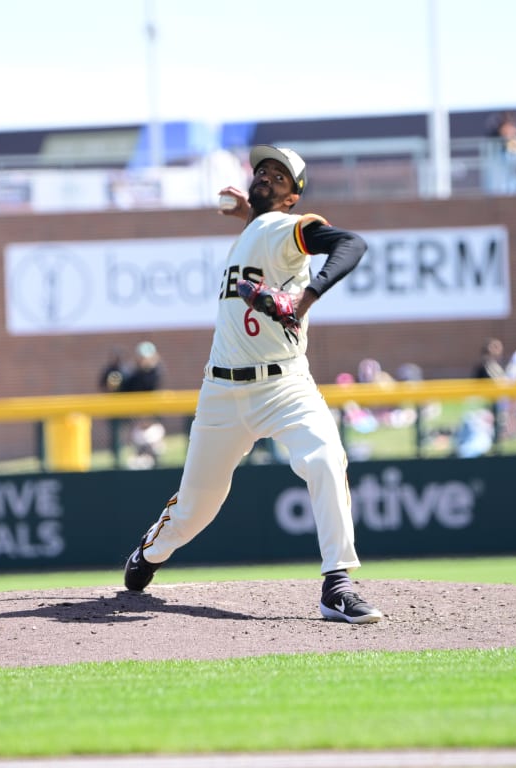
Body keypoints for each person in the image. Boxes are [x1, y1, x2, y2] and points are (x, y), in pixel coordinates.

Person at [121, 145, 383, 624]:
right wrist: (249, 215)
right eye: (261, 169)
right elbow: (264, 241)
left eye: (279, 175)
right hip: (222, 392)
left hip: (285, 386)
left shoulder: (290, 226)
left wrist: (303, 299)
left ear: (293, 196)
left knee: (326, 458)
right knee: (198, 508)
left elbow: (351, 245)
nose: (266, 175)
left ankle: (337, 583)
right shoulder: (259, 230)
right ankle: (149, 553)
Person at [119, 341, 166, 469]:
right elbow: (124, 391)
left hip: (152, 419)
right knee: (136, 456)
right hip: (136, 419)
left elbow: (152, 387)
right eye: (141, 357)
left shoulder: (155, 372)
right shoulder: (131, 373)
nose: (144, 360)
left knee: (155, 450)